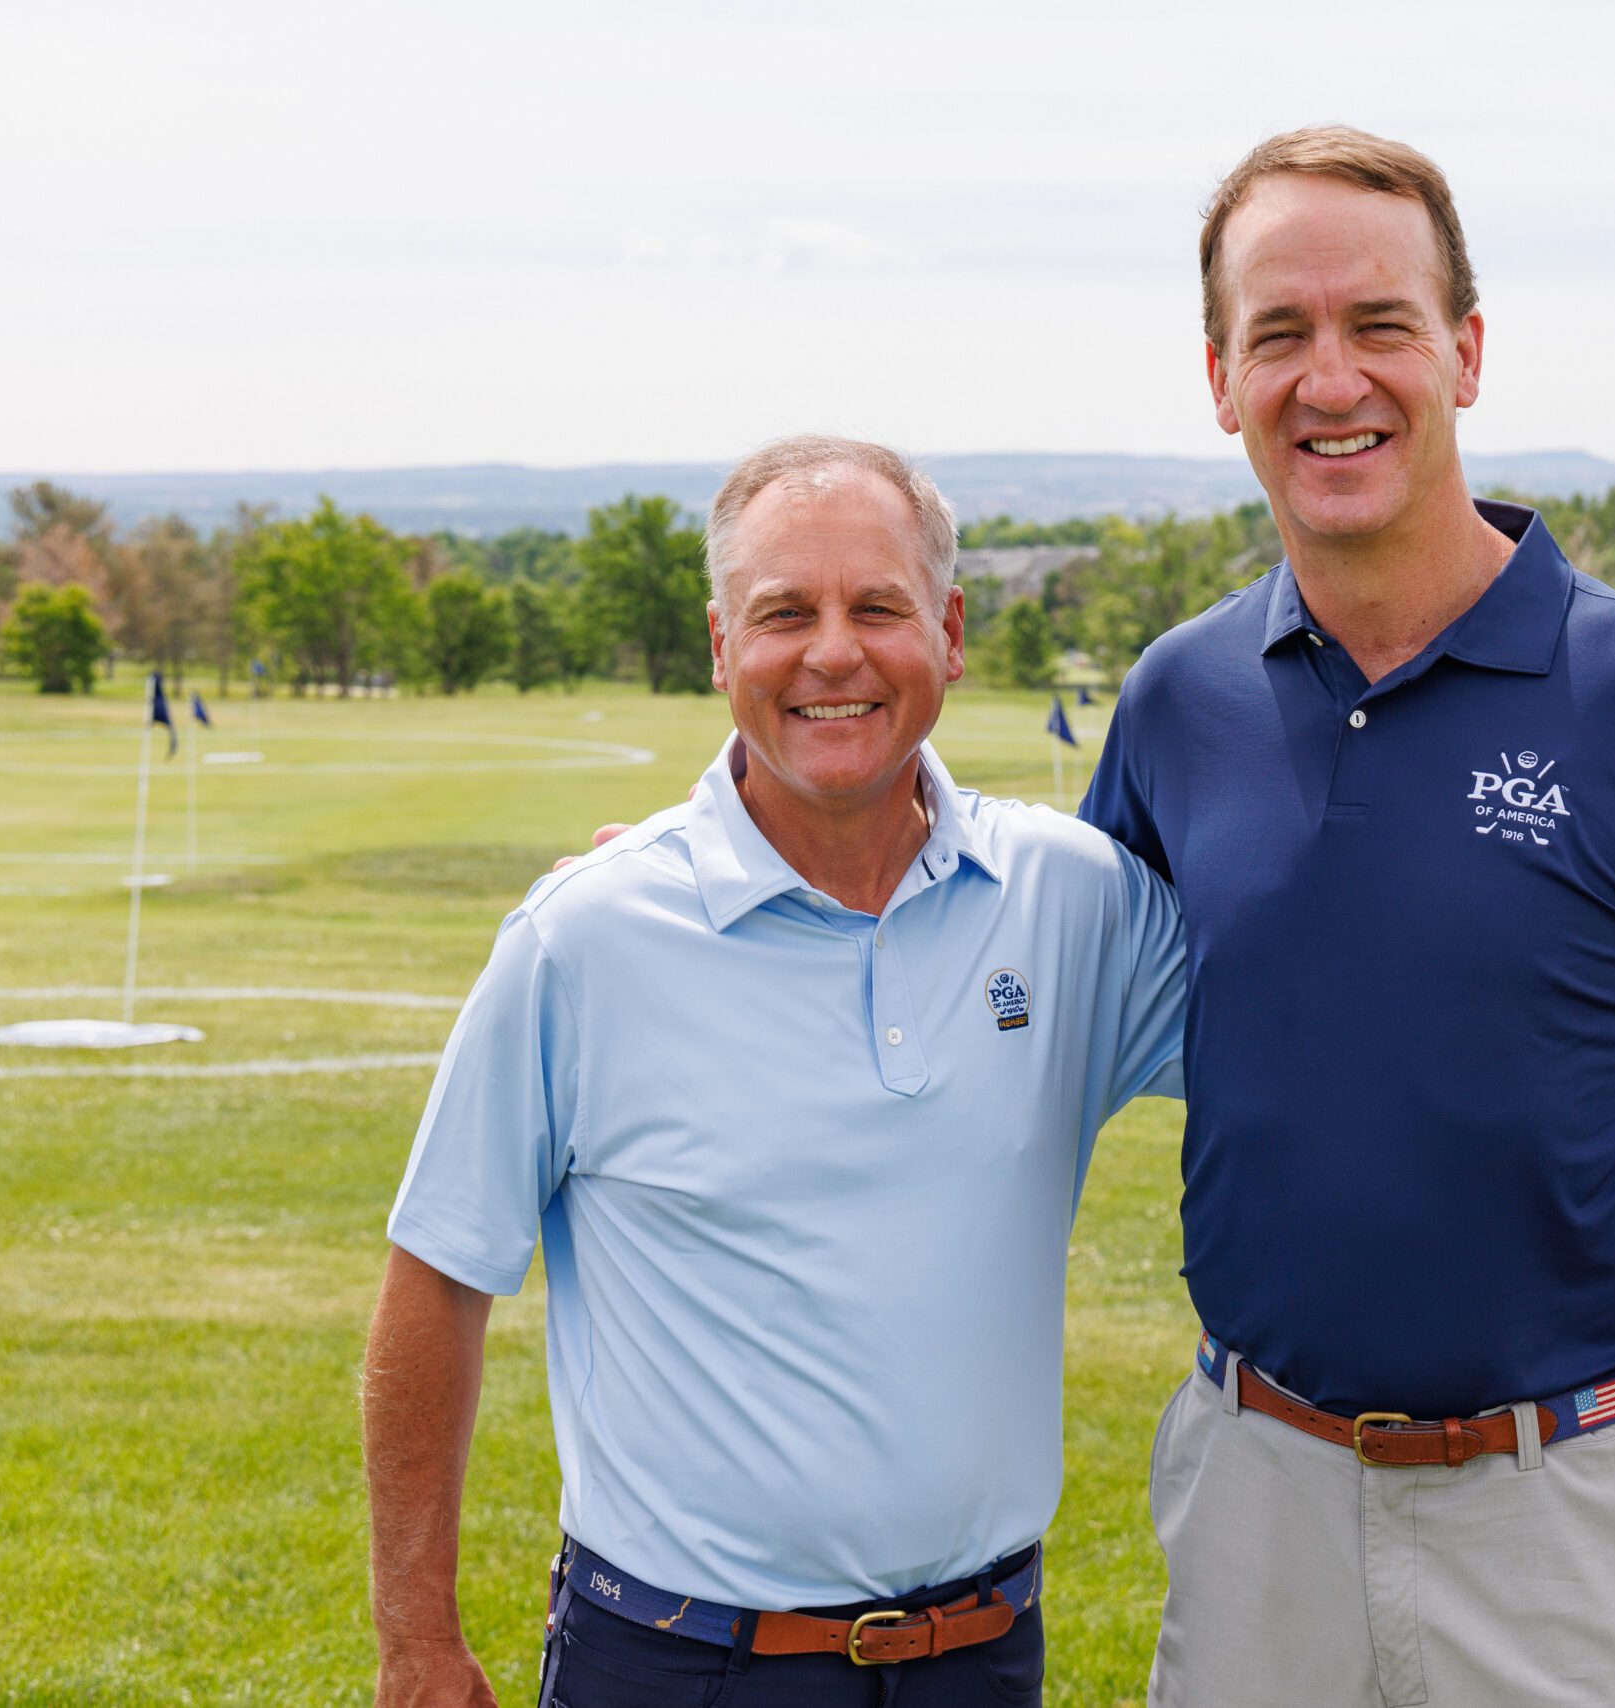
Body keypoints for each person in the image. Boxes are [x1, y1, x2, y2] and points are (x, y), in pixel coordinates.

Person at [1071, 128, 1615, 1708]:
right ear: (1220, 378)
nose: (1333, 379)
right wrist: (733, 862)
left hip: (1573, 1509)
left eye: (1379, 324)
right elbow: (1022, 980)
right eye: (1279, 335)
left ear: (1466, 352)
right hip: (1257, 1505)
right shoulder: (1179, 700)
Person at [362, 436, 1187, 1707]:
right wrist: (416, 1644)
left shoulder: (1070, 899)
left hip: (979, 1658)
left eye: (877, 607)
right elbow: (437, 1279)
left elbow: (1309, 1026)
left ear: (951, 629)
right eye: (783, 613)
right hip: (676, 1665)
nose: (833, 653)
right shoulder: (584, 937)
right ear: (719, 648)